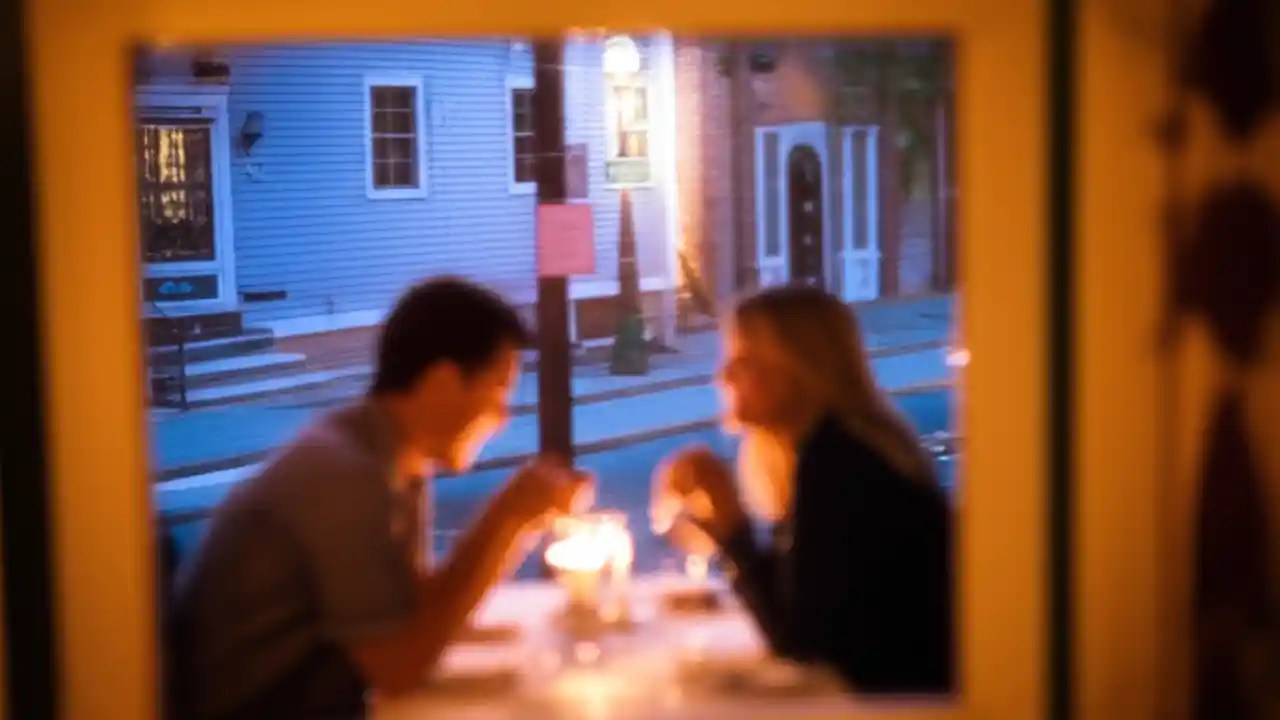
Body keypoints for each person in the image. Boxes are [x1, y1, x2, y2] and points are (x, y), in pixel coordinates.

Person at [170, 278, 593, 719]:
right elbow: (400, 666)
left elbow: (417, 613)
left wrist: (515, 519)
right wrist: (507, 518)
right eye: (500, 392)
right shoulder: (343, 475)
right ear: (445, 382)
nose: (504, 417)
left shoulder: (392, 457)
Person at [651, 285, 953, 693]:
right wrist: (722, 528)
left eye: (744, 361)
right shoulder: (835, 447)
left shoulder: (840, 466)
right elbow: (803, 599)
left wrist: (731, 525)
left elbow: (801, 645)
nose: (722, 377)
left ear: (795, 372)